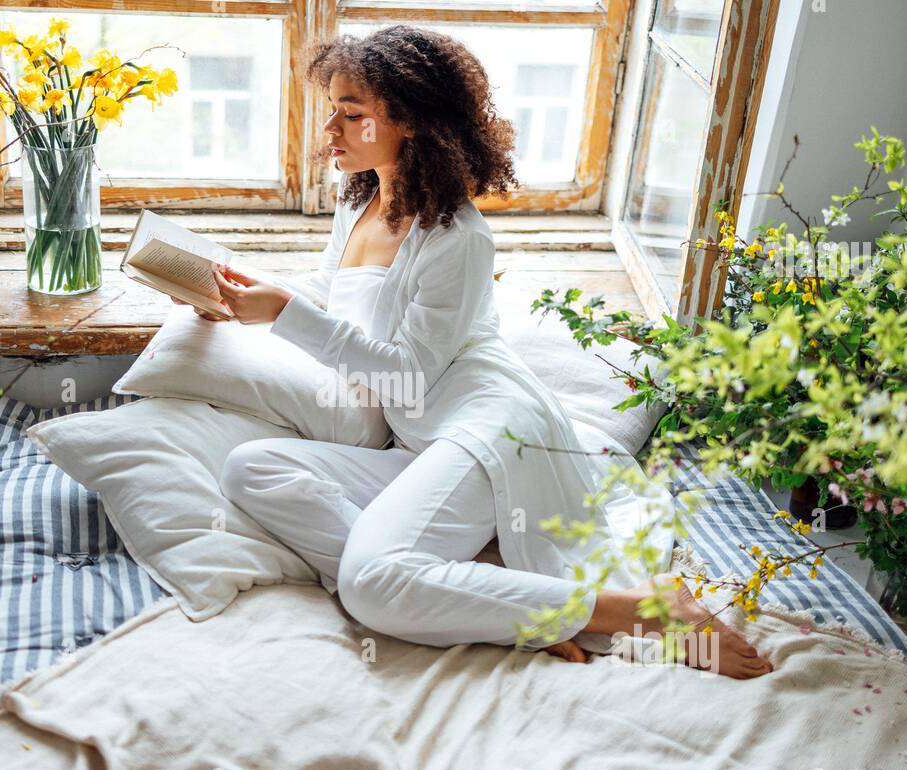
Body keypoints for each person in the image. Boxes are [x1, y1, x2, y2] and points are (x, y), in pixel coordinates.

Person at [197, 26, 772, 679]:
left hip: (488, 426)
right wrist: (241, 301)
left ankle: (638, 609)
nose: (330, 126)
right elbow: (333, 298)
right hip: (422, 445)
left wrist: (283, 315)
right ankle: (502, 602)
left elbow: (409, 378)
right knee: (249, 468)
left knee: (369, 585)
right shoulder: (357, 200)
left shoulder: (457, 236)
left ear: (408, 122)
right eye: (333, 107)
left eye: (351, 113)